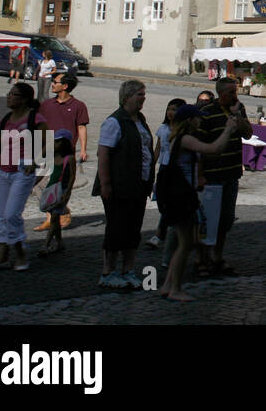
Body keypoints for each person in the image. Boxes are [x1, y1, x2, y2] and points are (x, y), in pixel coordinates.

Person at [157, 105, 236, 302]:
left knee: (184, 243)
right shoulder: (185, 139)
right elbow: (214, 149)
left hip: (181, 195)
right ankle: (175, 288)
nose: (200, 121)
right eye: (197, 118)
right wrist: (228, 129)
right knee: (186, 244)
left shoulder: (179, 137)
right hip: (181, 196)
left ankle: (168, 285)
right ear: (189, 120)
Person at [94, 80, 155, 290]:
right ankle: (108, 272)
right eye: (139, 94)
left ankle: (128, 270)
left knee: (133, 229)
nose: (143, 98)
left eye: (143, 94)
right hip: (120, 184)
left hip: (139, 184)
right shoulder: (115, 122)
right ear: (127, 97)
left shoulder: (140, 120)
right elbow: (103, 155)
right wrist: (106, 183)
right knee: (116, 229)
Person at [0, 83, 46, 272]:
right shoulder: (7, 118)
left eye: (14, 94)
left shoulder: (35, 118)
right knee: (0, 216)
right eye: (8, 93)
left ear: (24, 99)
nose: (9, 97)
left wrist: (35, 160)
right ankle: (1, 256)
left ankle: (21, 253)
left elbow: (46, 143)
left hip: (21, 173)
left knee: (11, 215)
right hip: (2, 171)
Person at [195, 76, 251, 278]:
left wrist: (239, 117)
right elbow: (199, 148)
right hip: (212, 175)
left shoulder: (238, 109)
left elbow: (247, 134)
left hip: (231, 172)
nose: (234, 95)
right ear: (220, 93)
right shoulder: (207, 113)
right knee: (208, 220)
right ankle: (201, 258)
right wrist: (200, 175)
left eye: (235, 91)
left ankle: (217, 257)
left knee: (225, 219)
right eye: (230, 92)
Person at [34, 71, 89, 233]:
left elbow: (81, 127)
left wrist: (83, 150)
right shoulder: (46, 105)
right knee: (38, 184)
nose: (52, 84)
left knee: (59, 187)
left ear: (65, 86)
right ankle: (56, 214)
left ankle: (55, 217)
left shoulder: (79, 106)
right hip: (46, 152)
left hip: (65, 154)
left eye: (55, 81)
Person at [146, 98, 187, 252]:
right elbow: (157, 149)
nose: (171, 112)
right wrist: (151, 165)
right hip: (163, 167)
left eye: (175, 109)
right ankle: (169, 227)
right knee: (162, 201)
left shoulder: (183, 131)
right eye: (169, 109)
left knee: (169, 202)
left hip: (176, 169)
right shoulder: (163, 128)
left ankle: (159, 234)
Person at [37, 130, 77, 257]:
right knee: (54, 218)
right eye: (55, 141)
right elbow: (43, 171)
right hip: (51, 191)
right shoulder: (53, 156)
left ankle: (45, 245)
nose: (55, 143)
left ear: (64, 142)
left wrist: (68, 192)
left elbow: (72, 176)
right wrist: (31, 184)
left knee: (54, 218)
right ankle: (60, 243)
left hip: (63, 191)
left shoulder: (69, 158)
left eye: (58, 141)